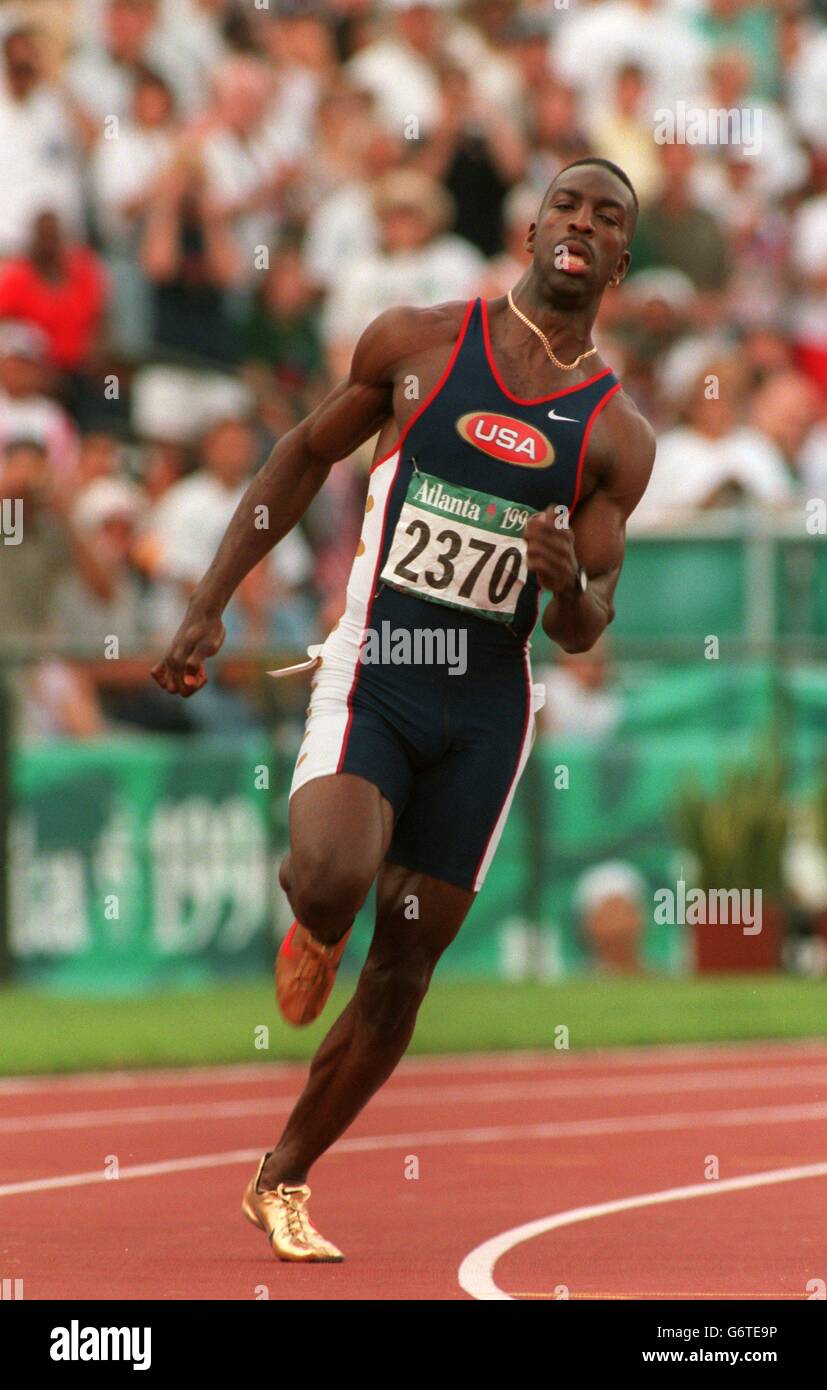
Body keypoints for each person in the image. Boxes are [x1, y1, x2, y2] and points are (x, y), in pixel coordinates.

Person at [152, 158, 656, 1261]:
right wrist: (207, 605)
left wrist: (567, 578)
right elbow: (298, 457)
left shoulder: (615, 437)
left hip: (485, 709)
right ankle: (315, 926)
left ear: (621, 256)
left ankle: (281, 1177)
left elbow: (584, 628)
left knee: (410, 960)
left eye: (606, 217)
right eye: (566, 205)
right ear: (529, 227)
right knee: (331, 876)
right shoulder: (418, 341)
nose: (581, 224)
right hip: (377, 665)